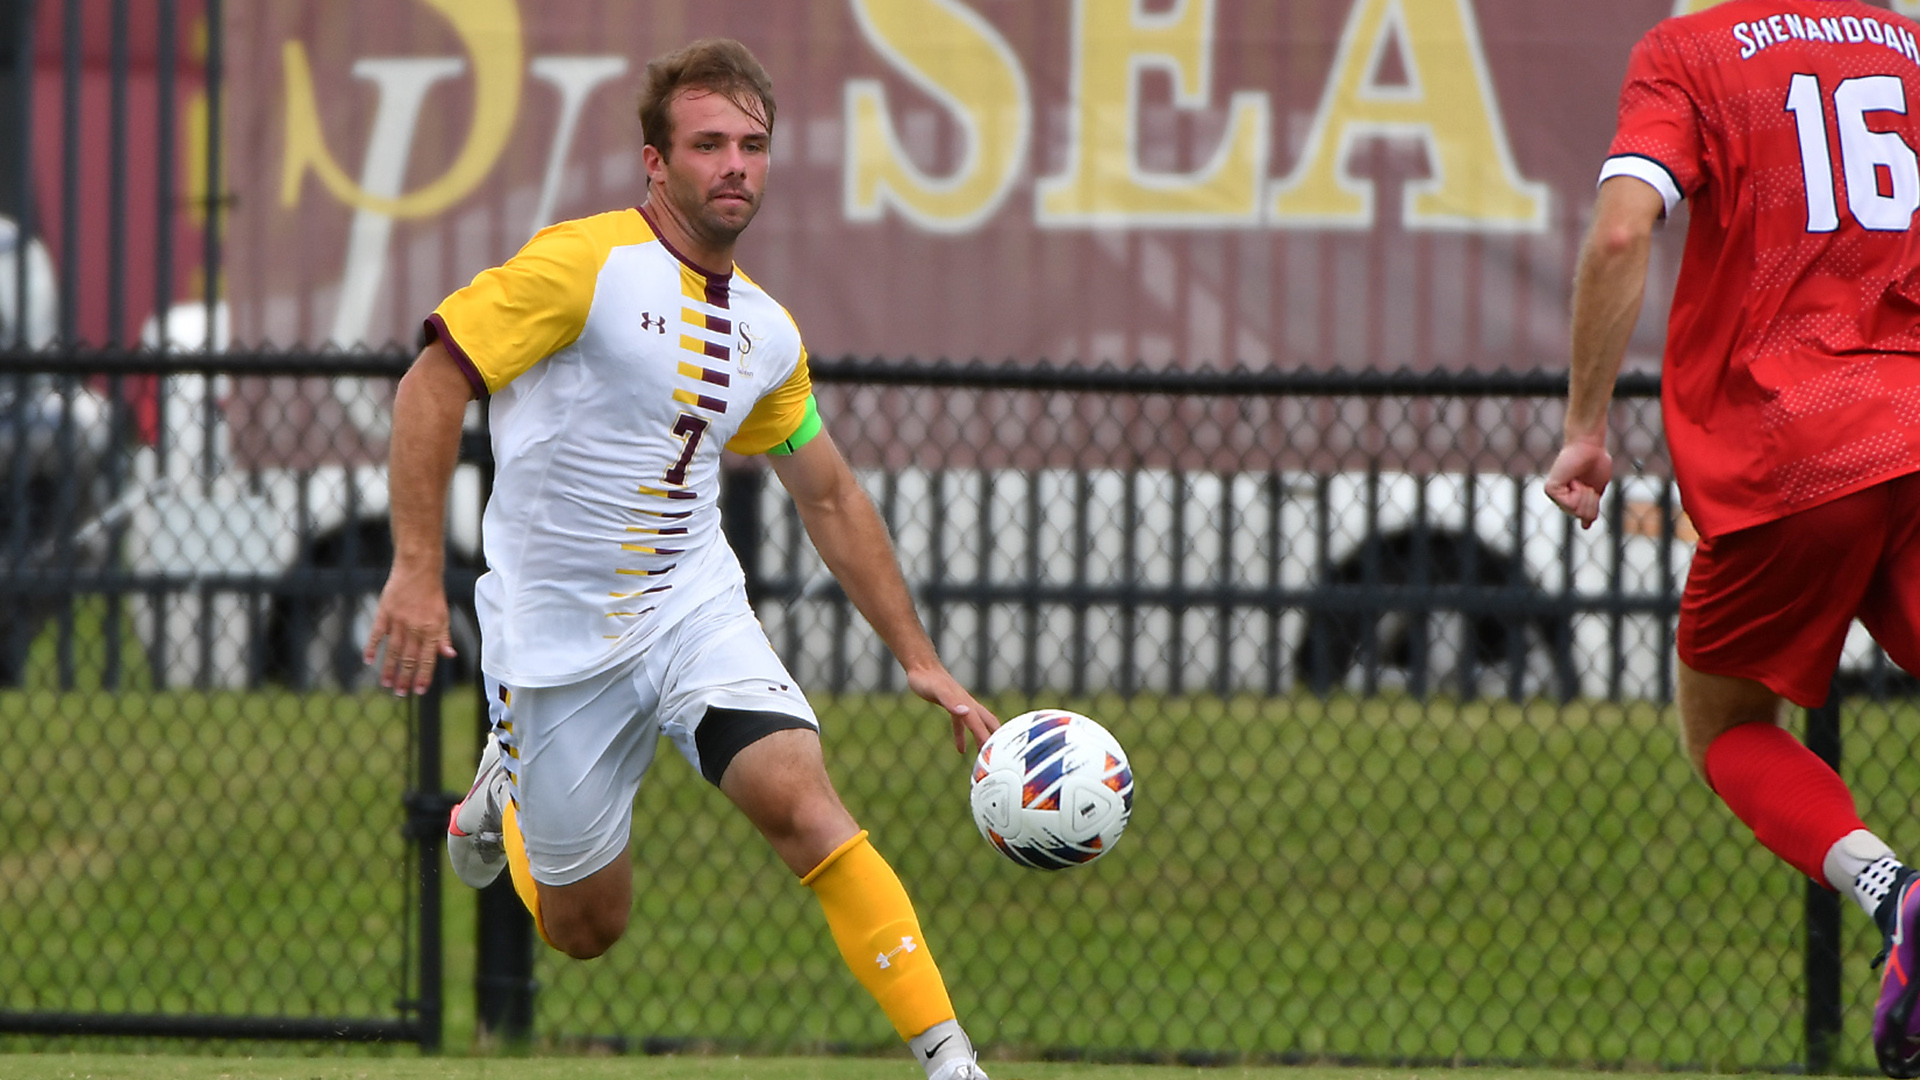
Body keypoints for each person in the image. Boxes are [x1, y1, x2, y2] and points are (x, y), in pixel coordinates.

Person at [363, 37, 1000, 1080]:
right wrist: (416, 570)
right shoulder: (583, 265)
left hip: (690, 607)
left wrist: (920, 660)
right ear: (656, 163)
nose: (734, 165)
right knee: (584, 928)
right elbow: (432, 384)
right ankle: (504, 793)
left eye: (752, 144)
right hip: (559, 645)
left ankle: (951, 1061)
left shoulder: (767, 335)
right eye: (708, 144)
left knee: (804, 803)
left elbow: (830, 494)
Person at [1546, 2, 1920, 1074]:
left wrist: (1584, 429)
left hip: (1793, 449)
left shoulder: (1689, 52)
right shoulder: (1907, 47)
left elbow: (1623, 231)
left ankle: (1895, 894)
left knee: (1724, 725)